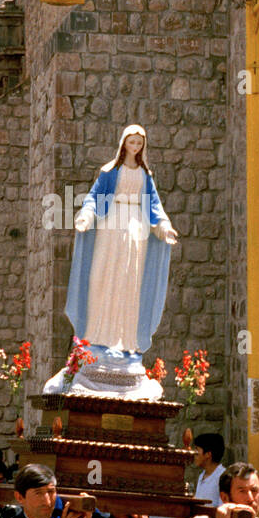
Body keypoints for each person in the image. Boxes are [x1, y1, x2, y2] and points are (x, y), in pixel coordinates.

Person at [63, 124, 178, 358]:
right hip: (111, 224)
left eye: (139, 143)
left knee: (129, 281)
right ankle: (95, 335)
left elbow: (154, 206)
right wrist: (86, 216)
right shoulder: (109, 171)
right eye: (132, 142)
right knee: (101, 277)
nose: (135, 147)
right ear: (124, 143)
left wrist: (165, 227)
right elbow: (94, 198)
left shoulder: (145, 176)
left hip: (137, 228)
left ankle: (124, 339)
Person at [192, 432, 224, 507]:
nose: (194, 455)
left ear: (208, 454)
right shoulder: (201, 476)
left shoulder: (222, 477)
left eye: (197, 451)